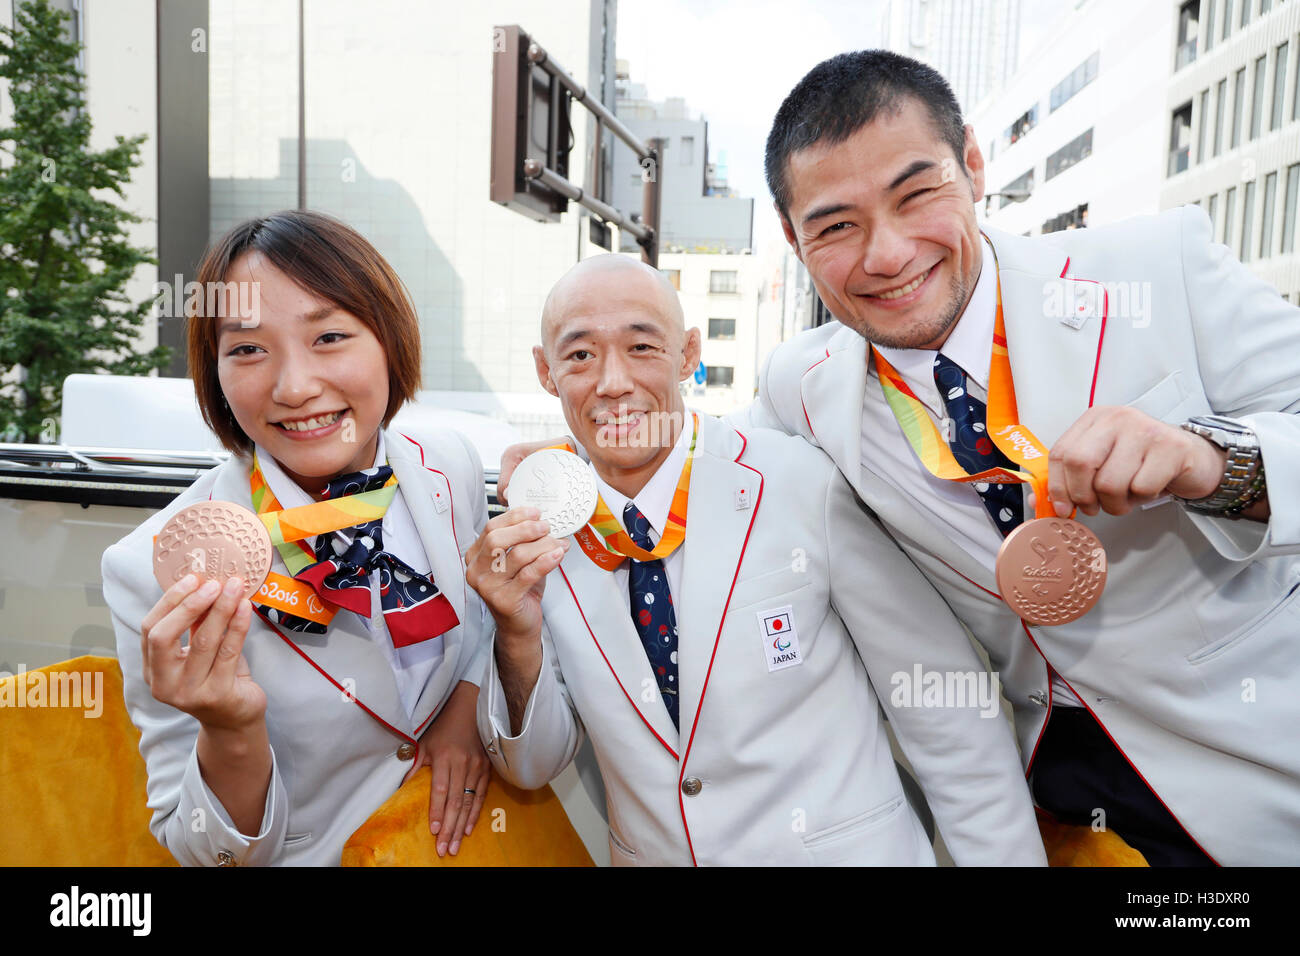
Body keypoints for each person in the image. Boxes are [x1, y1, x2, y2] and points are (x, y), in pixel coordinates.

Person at [736, 50, 1300, 865]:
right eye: (836, 226)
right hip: (1055, 798)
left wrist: (1212, 465)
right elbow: (723, 480)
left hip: (1259, 768)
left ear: (972, 164)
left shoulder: (1157, 267)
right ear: (793, 238)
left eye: (915, 193)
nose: (888, 254)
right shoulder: (802, 388)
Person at [467, 254, 1046, 866]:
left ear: (690, 354)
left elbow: (948, 716)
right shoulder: (534, 534)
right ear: (545, 370)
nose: (612, 382)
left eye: (642, 346)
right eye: (580, 355)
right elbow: (531, 768)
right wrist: (516, 633)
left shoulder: (798, 482)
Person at [101, 211, 491, 865]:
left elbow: (478, 611)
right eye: (248, 349)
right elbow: (192, 844)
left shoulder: (446, 462)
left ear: (391, 341)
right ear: (215, 376)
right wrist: (231, 731)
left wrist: (467, 701)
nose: (295, 386)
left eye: (330, 335)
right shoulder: (153, 566)